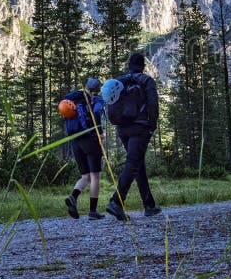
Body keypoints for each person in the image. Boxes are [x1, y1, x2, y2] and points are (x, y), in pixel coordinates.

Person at [106, 52, 162, 220]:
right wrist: (152, 125)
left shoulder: (120, 81)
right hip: (140, 127)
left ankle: (149, 205)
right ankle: (116, 201)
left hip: (122, 129)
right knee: (133, 163)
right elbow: (153, 104)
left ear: (129, 65)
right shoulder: (146, 81)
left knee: (137, 163)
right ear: (143, 66)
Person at [64, 78, 106, 220]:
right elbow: (98, 113)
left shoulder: (76, 99)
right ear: (98, 89)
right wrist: (100, 132)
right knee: (95, 176)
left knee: (85, 176)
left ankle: (73, 197)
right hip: (90, 141)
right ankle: (93, 211)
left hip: (76, 141)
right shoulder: (96, 99)